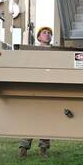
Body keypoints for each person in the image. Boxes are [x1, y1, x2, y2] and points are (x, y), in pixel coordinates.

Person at [19, 26, 54, 157]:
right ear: (39, 37)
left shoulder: (55, 52)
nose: (47, 35)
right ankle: (24, 147)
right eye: (44, 33)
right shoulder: (32, 51)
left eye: (49, 33)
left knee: (46, 118)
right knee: (30, 118)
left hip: (49, 87)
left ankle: (43, 149)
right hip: (34, 87)